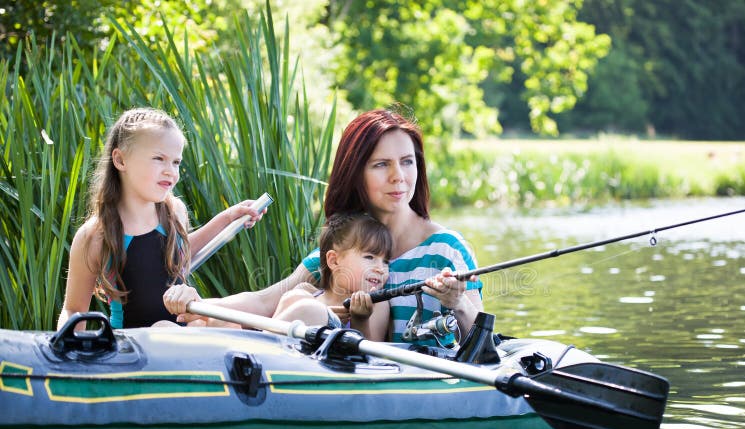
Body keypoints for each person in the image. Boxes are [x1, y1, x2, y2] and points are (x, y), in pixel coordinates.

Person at [164, 107, 482, 343]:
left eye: (407, 162)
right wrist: (199, 306)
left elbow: (483, 341)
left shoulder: (447, 249)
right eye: (381, 165)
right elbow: (264, 300)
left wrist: (457, 303)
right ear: (356, 172)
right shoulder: (344, 248)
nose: (398, 176)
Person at [57, 107, 263, 330]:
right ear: (120, 160)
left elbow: (175, 258)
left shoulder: (175, 211)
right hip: (137, 348)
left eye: (176, 162)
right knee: (164, 328)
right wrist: (69, 355)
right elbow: (74, 309)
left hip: (182, 333)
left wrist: (227, 218)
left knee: (230, 317)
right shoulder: (95, 235)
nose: (171, 172)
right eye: (159, 159)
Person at [273, 212, 391, 342]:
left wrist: (360, 319)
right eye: (369, 257)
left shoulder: (376, 304)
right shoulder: (310, 293)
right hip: (290, 356)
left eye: (386, 261)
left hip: (338, 360)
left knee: (311, 309)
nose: (380, 269)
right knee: (294, 296)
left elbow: (372, 355)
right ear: (334, 261)